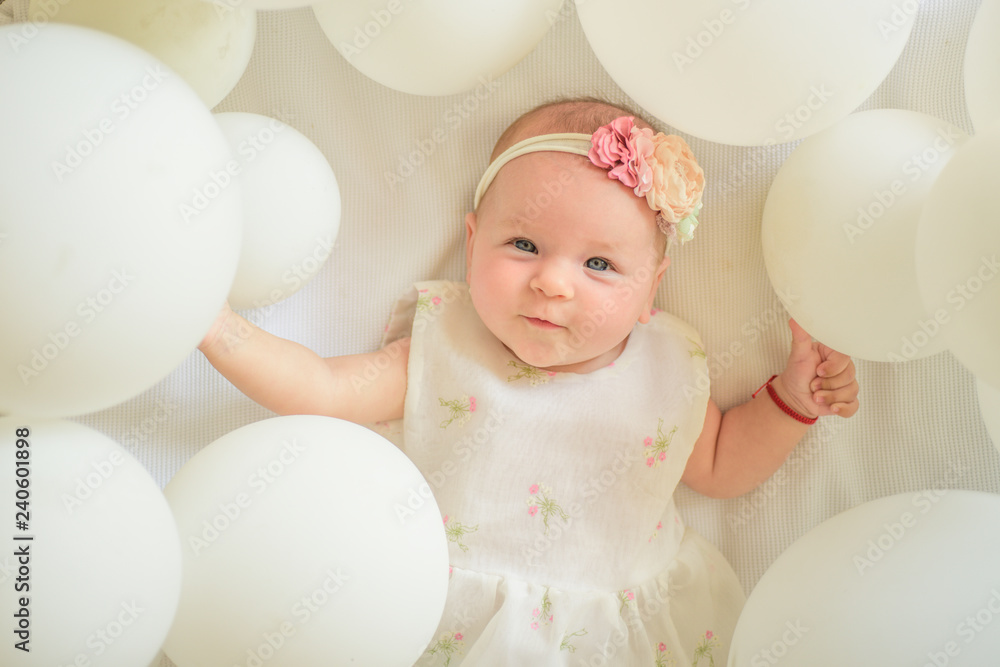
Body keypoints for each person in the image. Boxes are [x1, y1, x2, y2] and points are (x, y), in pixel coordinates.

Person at [199, 98, 860, 666]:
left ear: (650, 287)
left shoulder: (669, 363)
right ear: (472, 239)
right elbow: (320, 388)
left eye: (599, 263)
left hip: (610, 634)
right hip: (440, 611)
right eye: (523, 246)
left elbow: (720, 464)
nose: (553, 281)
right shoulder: (444, 345)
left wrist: (791, 402)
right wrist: (214, 325)